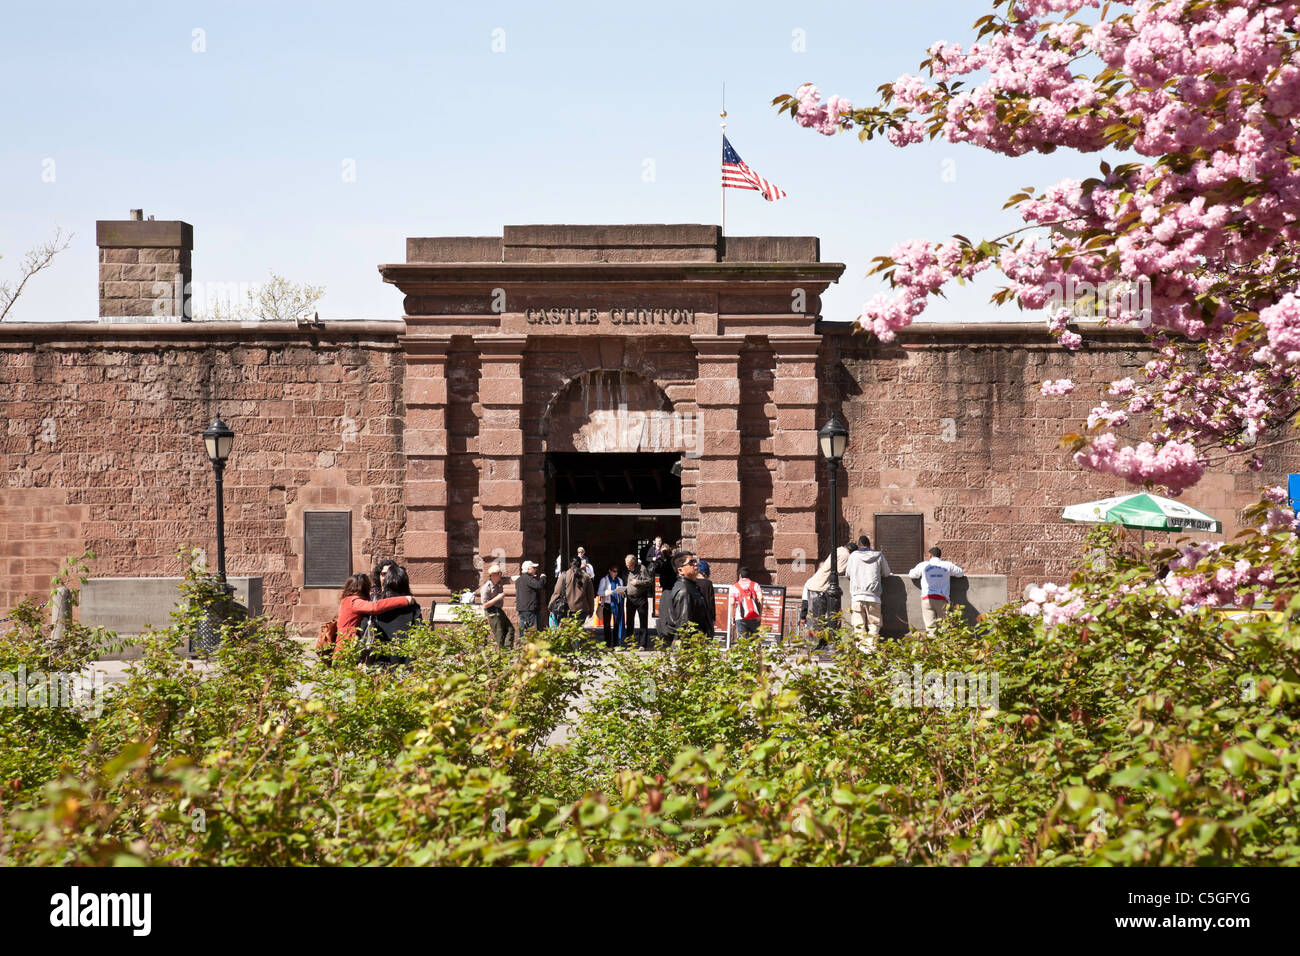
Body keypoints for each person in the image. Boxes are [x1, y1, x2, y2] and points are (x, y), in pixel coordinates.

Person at [335, 572, 418, 659]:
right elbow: (375, 607)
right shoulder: (354, 601)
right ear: (364, 588)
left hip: (341, 645)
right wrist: (404, 600)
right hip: (348, 647)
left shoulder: (345, 600)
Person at [655, 552, 712, 649]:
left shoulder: (691, 587)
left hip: (696, 645)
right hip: (689, 649)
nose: (695, 564)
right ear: (680, 570)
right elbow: (683, 625)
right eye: (691, 562)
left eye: (695, 561)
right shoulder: (684, 590)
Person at [804, 541, 855, 648]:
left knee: (816, 618)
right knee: (820, 618)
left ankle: (815, 643)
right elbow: (839, 571)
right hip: (820, 588)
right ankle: (816, 644)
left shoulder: (838, 550)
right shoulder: (846, 555)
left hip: (815, 586)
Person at [371, 563, 424, 665]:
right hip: (405, 662)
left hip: (381, 662)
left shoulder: (376, 605)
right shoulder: (412, 607)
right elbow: (420, 633)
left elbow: (364, 628)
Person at [845, 534, 891, 651]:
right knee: (874, 624)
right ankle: (871, 648)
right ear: (869, 544)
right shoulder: (878, 555)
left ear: (859, 545)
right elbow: (886, 573)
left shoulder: (853, 556)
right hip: (874, 596)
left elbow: (848, 574)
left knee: (858, 625)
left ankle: (862, 650)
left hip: (857, 595)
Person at [908, 546, 965, 632]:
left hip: (927, 599)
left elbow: (912, 575)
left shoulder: (923, 565)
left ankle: (932, 643)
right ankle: (944, 644)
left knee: (930, 628)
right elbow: (960, 573)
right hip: (942, 600)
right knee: (945, 627)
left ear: (930, 555)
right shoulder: (947, 565)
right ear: (940, 556)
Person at [550, 557, 595, 627]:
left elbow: (557, 592)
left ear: (570, 564)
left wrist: (551, 605)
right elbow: (590, 595)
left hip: (566, 609)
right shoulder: (586, 577)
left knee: (567, 632)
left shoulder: (564, 575)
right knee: (578, 632)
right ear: (580, 564)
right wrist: (591, 610)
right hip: (582, 609)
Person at [480, 564, 516, 649]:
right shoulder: (486, 587)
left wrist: (523, 575)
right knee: (499, 634)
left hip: (499, 610)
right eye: (498, 573)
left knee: (510, 629)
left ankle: (507, 650)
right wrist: (497, 598)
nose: (500, 575)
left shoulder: (499, 582)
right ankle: (503, 654)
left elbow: (511, 579)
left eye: (500, 573)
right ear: (492, 575)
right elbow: (485, 605)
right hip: (491, 611)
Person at [622, 552, 654, 650]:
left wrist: (638, 582)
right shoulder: (626, 571)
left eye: (629, 565)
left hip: (641, 598)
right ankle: (630, 643)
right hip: (630, 599)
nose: (628, 567)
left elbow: (649, 581)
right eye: (626, 565)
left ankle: (642, 644)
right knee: (630, 622)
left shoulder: (642, 569)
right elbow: (625, 582)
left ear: (634, 563)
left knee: (643, 622)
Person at [513, 560, 547, 635]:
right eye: (533, 568)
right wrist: (543, 578)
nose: (535, 570)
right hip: (529, 609)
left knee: (523, 630)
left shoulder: (519, 580)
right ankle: (528, 645)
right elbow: (539, 585)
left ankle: (522, 645)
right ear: (528, 569)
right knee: (530, 631)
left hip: (522, 609)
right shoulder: (529, 579)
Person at [597, 562, 625, 649]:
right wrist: (607, 592)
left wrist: (622, 593)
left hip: (617, 604)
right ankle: (608, 644)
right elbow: (599, 592)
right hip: (607, 604)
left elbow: (623, 593)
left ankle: (616, 644)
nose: (615, 573)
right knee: (607, 625)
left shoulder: (619, 580)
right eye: (614, 571)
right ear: (609, 571)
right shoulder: (604, 580)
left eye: (617, 571)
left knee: (616, 625)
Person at [732, 565, 764, 639]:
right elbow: (761, 598)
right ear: (749, 576)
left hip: (740, 617)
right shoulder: (755, 585)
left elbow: (732, 603)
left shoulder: (734, 587)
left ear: (740, 575)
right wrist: (760, 615)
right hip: (754, 616)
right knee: (755, 640)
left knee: (743, 641)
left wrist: (732, 618)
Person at [695, 559, 717, 636]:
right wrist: (713, 617)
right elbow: (711, 601)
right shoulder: (708, 584)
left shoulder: (692, 582)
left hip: (694, 615)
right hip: (706, 616)